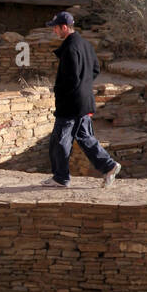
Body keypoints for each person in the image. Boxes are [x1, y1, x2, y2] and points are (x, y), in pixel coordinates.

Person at [42, 10, 122, 190]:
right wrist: (84, 88)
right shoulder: (85, 44)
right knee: (85, 137)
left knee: (59, 140)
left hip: (71, 103)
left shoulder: (70, 49)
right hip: (84, 100)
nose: (54, 31)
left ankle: (61, 178)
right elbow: (95, 69)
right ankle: (109, 166)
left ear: (64, 27)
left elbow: (71, 80)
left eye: (55, 28)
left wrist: (62, 95)